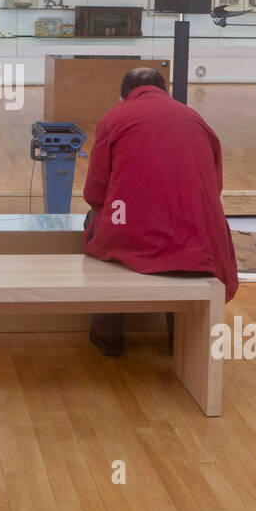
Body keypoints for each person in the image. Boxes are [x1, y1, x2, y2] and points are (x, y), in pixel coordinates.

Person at [82, 67, 239, 356]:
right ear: (166, 91)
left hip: (132, 230)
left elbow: (95, 193)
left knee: (97, 223)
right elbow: (215, 187)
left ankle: (109, 334)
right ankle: (179, 339)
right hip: (198, 237)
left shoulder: (115, 117)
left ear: (122, 96)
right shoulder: (196, 119)